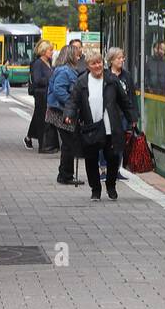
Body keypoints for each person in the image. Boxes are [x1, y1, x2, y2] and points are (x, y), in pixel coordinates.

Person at [69, 51, 135, 200]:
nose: (98, 65)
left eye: (99, 62)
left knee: (112, 157)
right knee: (91, 159)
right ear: (88, 66)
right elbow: (73, 101)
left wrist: (132, 117)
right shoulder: (82, 82)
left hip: (109, 126)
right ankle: (95, 189)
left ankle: (110, 184)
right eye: (94, 63)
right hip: (91, 127)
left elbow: (124, 101)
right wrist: (69, 114)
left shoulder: (111, 80)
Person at [47, 45, 82, 186]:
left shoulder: (65, 70)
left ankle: (64, 173)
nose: (79, 58)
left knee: (68, 143)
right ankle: (66, 175)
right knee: (69, 144)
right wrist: (71, 103)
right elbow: (59, 90)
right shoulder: (65, 71)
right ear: (70, 56)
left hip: (61, 110)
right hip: (61, 112)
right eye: (77, 55)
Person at [105, 46, 139, 183]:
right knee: (106, 142)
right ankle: (104, 169)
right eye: (119, 58)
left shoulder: (127, 76)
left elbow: (132, 97)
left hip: (123, 116)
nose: (122, 60)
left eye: (122, 58)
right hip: (109, 115)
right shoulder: (106, 75)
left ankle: (116, 170)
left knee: (120, 144)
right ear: (111, 60)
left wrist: (134, 116)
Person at [26, 40, 57, 151]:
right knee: (41, 119)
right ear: (43, 51)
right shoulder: (38, 63)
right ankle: (42, 145)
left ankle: (45, 143)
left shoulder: (49, 62)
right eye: (50, 50)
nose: (52, 52)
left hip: (47, 94)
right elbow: (37, 79)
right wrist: (50, 79)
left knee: (45, 119)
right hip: (41, 95)